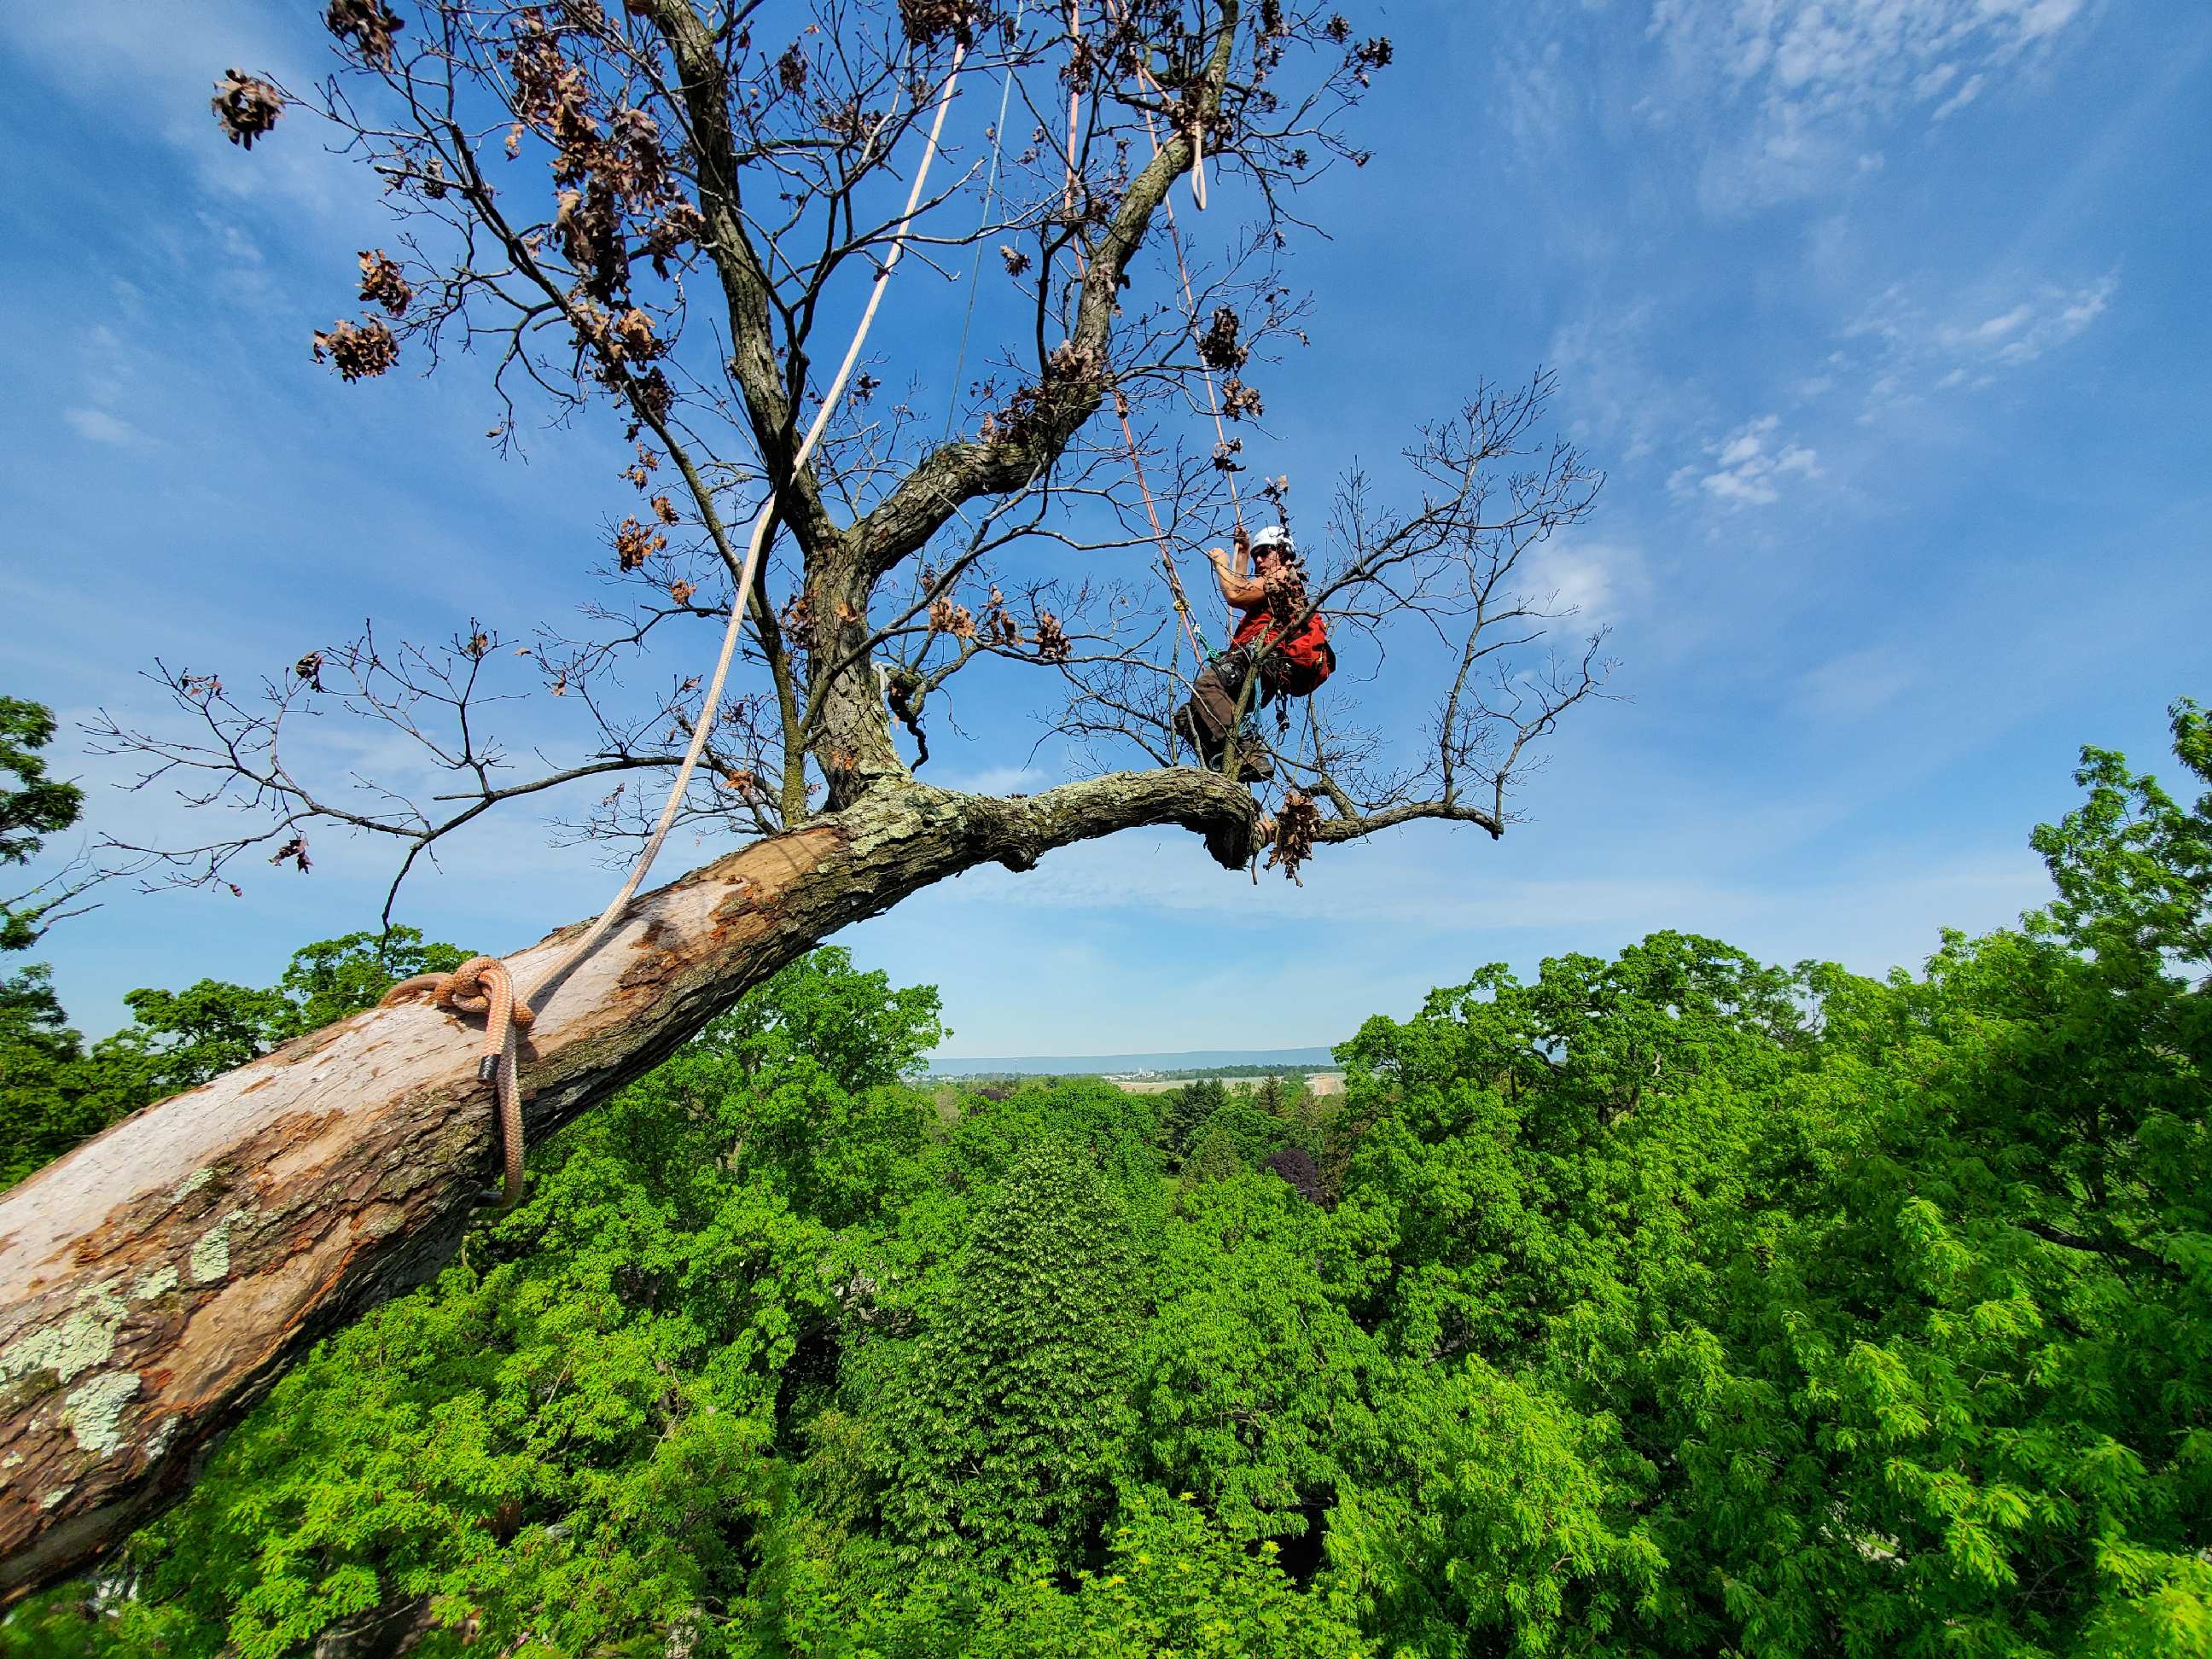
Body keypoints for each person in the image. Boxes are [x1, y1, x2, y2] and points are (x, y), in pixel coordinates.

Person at [1172, 522, 1297, 777]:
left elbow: (1235, 595)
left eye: (1265, 553)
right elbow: (1243, 588)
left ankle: (1249, 752)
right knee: (1187, 717)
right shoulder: (1269, 590)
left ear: (1283, 552)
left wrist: (1221, 562)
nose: (1259, 560)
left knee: (1207, 686)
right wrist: (1242, 552)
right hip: (1249, 661)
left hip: (1262, 657)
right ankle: (1225, 769)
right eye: (1256, 556)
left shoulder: (1283, 577)